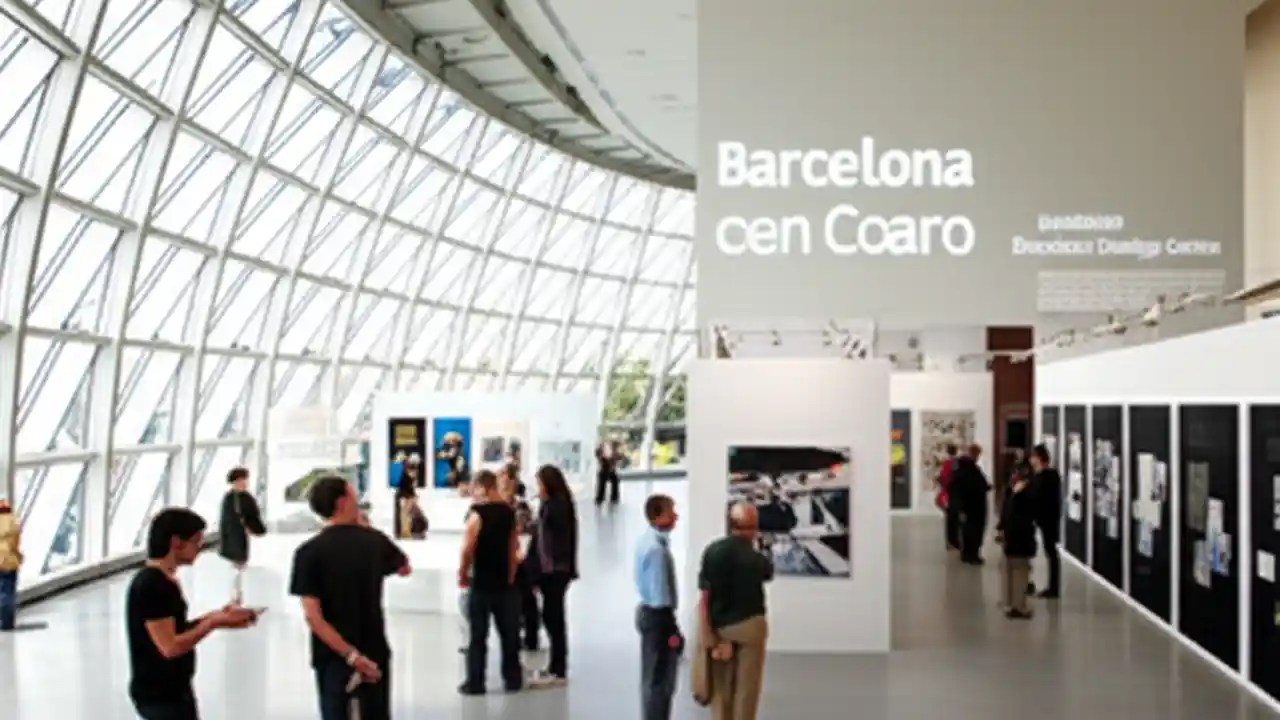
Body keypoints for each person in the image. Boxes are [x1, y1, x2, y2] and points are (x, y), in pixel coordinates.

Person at [289, 475, 411, 720]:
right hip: (373, 647)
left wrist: (350, 655)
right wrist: (366, 529)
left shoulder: (308, 553)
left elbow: (314, 617)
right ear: (343, 501)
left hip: (332, 655)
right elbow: (403, 567)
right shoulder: (375, 542)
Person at [127, 508, 258, 719]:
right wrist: (212, 623)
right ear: (176, 542)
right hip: (161, 695)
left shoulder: (162, 581)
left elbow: (174, 629)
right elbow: (170, 646)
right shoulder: (153, 585)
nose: (199, 547)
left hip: (172, 690)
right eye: (195, 541)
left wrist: (217, 618)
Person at [694, 503, 772, 720]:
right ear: (753, 528)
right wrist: (759, 547)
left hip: (720, 628)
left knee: (722, 689)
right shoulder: (754, 557)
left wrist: (708, 632)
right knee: (747, 689)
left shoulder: (713, 551)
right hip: (750, 627)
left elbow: (705, 595)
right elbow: (768, 573)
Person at [458, 470, 523, 695]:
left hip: (481, 581)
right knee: (509, 634)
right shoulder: (509, 513)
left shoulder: (476, 514)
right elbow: (513, 548)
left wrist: (462, 573)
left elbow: (468, 548)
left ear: (482, 487)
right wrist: (511, 574)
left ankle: (476, 682)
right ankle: (512, 679)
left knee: (478, 636)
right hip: (504, 582)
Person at [635, 494, 683, 720]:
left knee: (653, 676)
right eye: (670, 511)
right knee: (661, 680)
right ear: (657, 516)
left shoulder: (648, 541)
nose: (675, 516)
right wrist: (674, 630)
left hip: (650, 616)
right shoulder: (656, 551)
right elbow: (661, 597)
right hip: (658, 619)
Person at [532, 464, 579, 685]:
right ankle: (555, 665)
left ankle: (558, 668)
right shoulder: (555, 505)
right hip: (553, 568)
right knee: (551, 616)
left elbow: (553, 541)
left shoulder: (556, 507)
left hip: (555, 570)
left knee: (554, 618)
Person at [217, 467, 267, 604]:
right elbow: (229, 522)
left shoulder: (241, 498)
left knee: (239, 567)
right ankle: (236, 596)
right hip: (235, 539)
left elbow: (253, 517)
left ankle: (239, 596)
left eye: (244, 480)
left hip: (240, 538)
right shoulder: (232, 499)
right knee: (236, 567)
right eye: (240, 480)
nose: (243, 483)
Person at [997, 462, 1038, 619]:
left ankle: (1008, 602)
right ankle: (1018, 606)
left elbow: (1005, 513)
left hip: (1011, 535)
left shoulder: (1011, 491)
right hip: (1021, 536)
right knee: (1020, 571)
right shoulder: (1026, 492)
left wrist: (1001, 529)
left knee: (1008, 569)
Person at [1030, 443, 1063, 598]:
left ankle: (1054, 587)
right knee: (1049, 551)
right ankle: (1052, 586)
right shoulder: (1043, 475)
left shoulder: (1047, 476)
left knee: (1051, 552)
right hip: (1045, 519)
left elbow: (1043, 499)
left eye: (1033, 457)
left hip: (1047, 519)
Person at [0, 499, 22, 631]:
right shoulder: (13, 522)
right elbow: (16, 543)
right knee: (8, 592)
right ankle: (7, 622)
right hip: (9, 561)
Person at [936, 444, 960, 550]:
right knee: (954, 519)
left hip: (948, 492)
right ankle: (953, 541)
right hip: (954, 493)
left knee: (950, 519)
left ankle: (951, 541)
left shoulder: (947, 463)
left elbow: (942, 477)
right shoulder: (956, 463)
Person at [595, 440, 621, 506]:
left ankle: (614, 498)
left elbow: (616, 460)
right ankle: (600, 498)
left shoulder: (614, 453)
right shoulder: (603, 453)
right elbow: (599, 456)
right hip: (604, 472)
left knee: (615, 480)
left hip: (611, 472)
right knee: (602, 480)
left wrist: (614, 458)